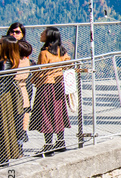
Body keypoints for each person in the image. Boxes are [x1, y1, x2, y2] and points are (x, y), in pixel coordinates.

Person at [31, 27, 72, 156]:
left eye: (43, 33)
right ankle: (60, 142)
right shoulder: (62, 51)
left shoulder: (45, 53)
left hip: (46, 86)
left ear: (48, 37)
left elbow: (41, 71)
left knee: (45, 113)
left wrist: (33, 79)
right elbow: (69, 63)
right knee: (58, 112)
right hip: (59, 85)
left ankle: (48, 145)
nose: (41, 34)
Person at [0, 37, 25, 164]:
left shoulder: (4, 63)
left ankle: (3, 156)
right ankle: (4, 156)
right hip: (7, 95)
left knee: (3, 126)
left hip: (2, 96)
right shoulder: (12, 60)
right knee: (6, 125)